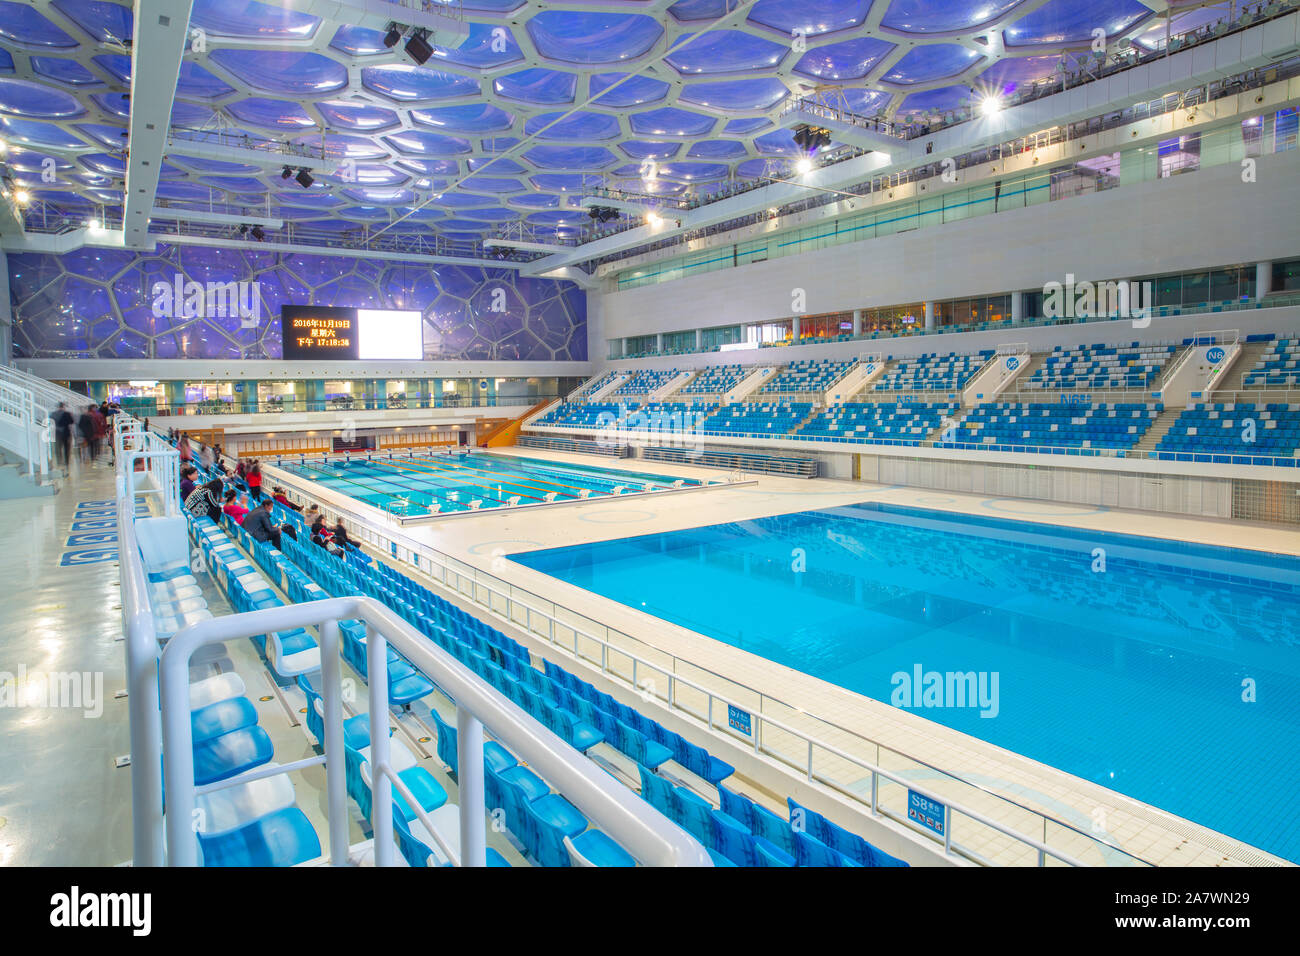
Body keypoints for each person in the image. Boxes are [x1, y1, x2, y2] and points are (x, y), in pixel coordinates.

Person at [51, 403, 73, 470]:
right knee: (67, 448)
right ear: (63, 407)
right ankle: (66, 462)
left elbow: (51, 422)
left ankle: (59, 462)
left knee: (58, 448)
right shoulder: (67, 413)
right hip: (66, 433)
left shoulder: (53, 414)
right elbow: (71, 422)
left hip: (57, 432)